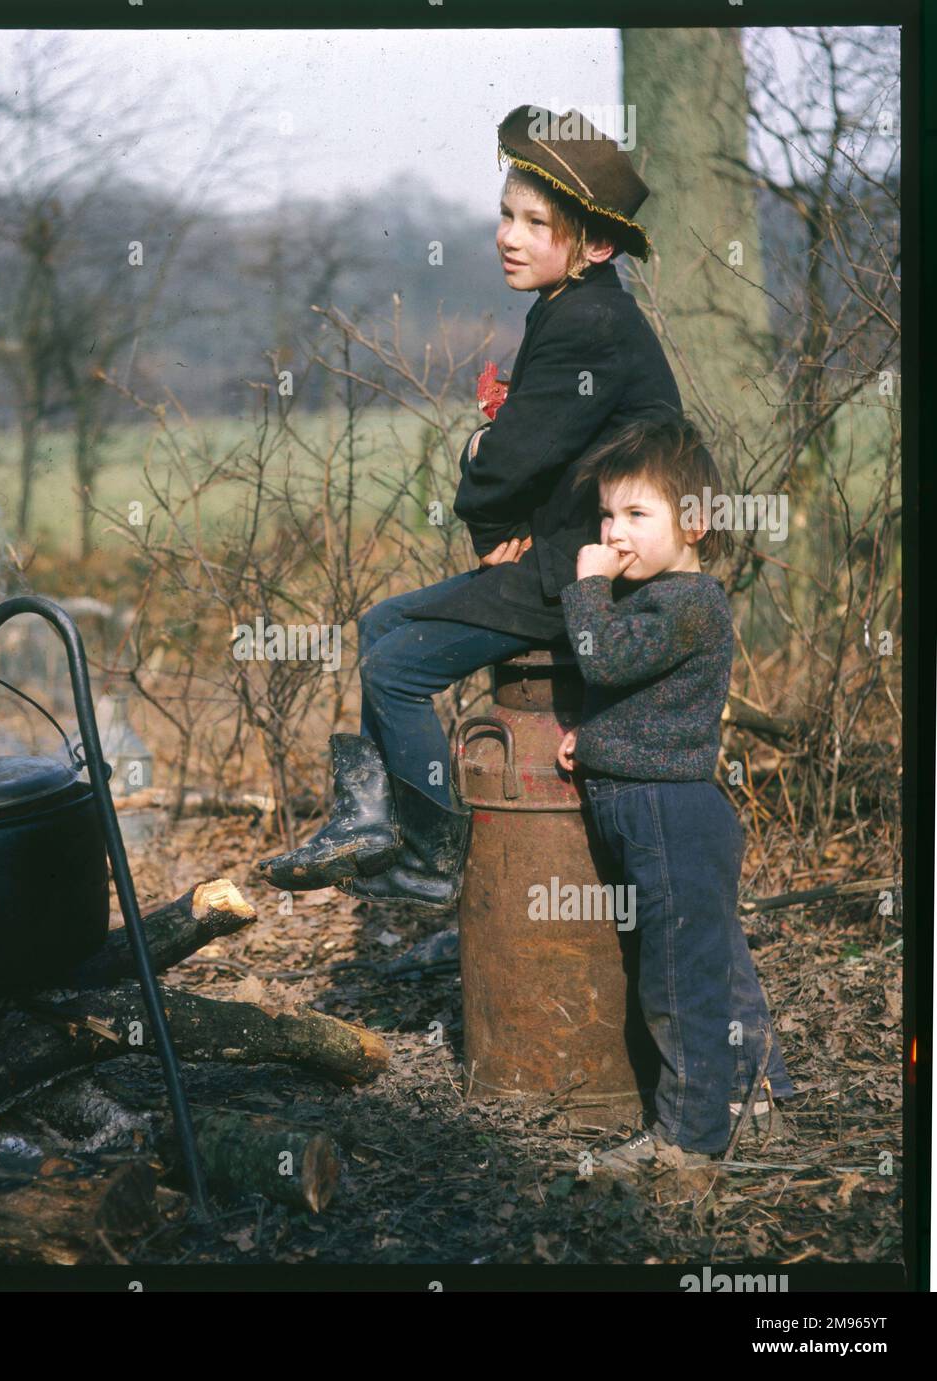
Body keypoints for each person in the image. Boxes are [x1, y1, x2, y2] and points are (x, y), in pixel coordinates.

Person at [258, 105, 683, 909]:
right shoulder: (571, 306)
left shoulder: (590, 323)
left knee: (396, 665)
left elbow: (507, 459)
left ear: (594, 245)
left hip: (596, 567)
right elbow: (537, 451)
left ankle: (431, 850)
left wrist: (488, 493)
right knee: (380, 625)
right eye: (505, 214)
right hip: (561, 541)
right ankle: (371, 821)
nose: (508, 236)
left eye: (535, 223)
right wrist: (500, 498)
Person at [555, 412, 796, 1169]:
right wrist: (589, 739)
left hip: (668, 813)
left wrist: (585, 587)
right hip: (665, 807)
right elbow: (642, 697)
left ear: (693, 522)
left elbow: (604, 662)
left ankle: (687, 1143)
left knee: (675, 978)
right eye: (605, 514)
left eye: (635, 514)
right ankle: (756, 1101)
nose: (613, 532)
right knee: (715, 961)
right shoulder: (660, 600)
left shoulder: (686, 602)